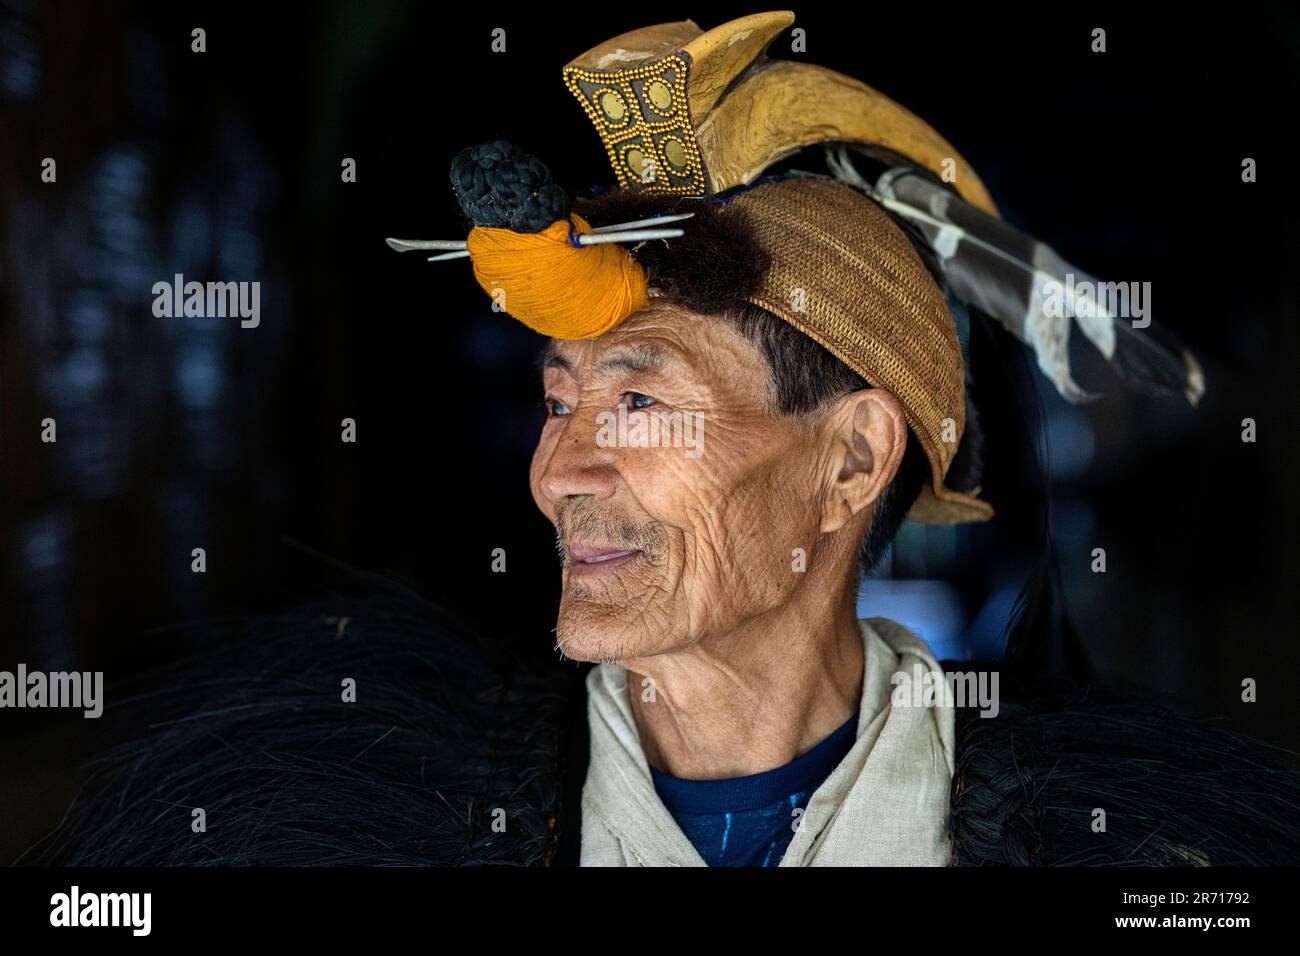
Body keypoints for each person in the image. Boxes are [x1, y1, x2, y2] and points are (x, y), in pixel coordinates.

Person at [35, 10, 1300, 868]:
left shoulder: (1141, 850)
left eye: (639, 403)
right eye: (558, 397)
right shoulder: (356, 808)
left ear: (850, 463)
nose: (559, 470)